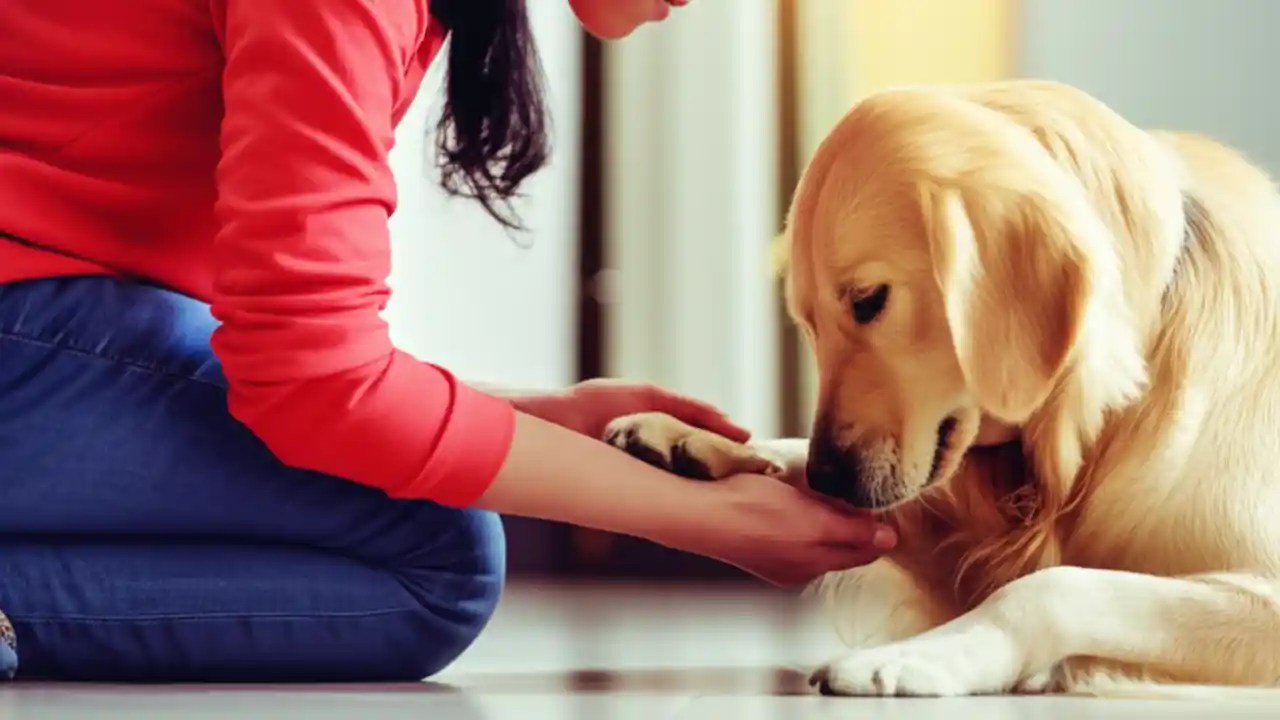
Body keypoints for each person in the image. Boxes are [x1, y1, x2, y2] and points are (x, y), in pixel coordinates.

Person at [0, 0, 896, 682]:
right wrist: (703, 520)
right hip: (34, 334)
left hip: (52, 332)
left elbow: (289, 348)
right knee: (438, 555)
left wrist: (539, 417)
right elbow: (313, 385)